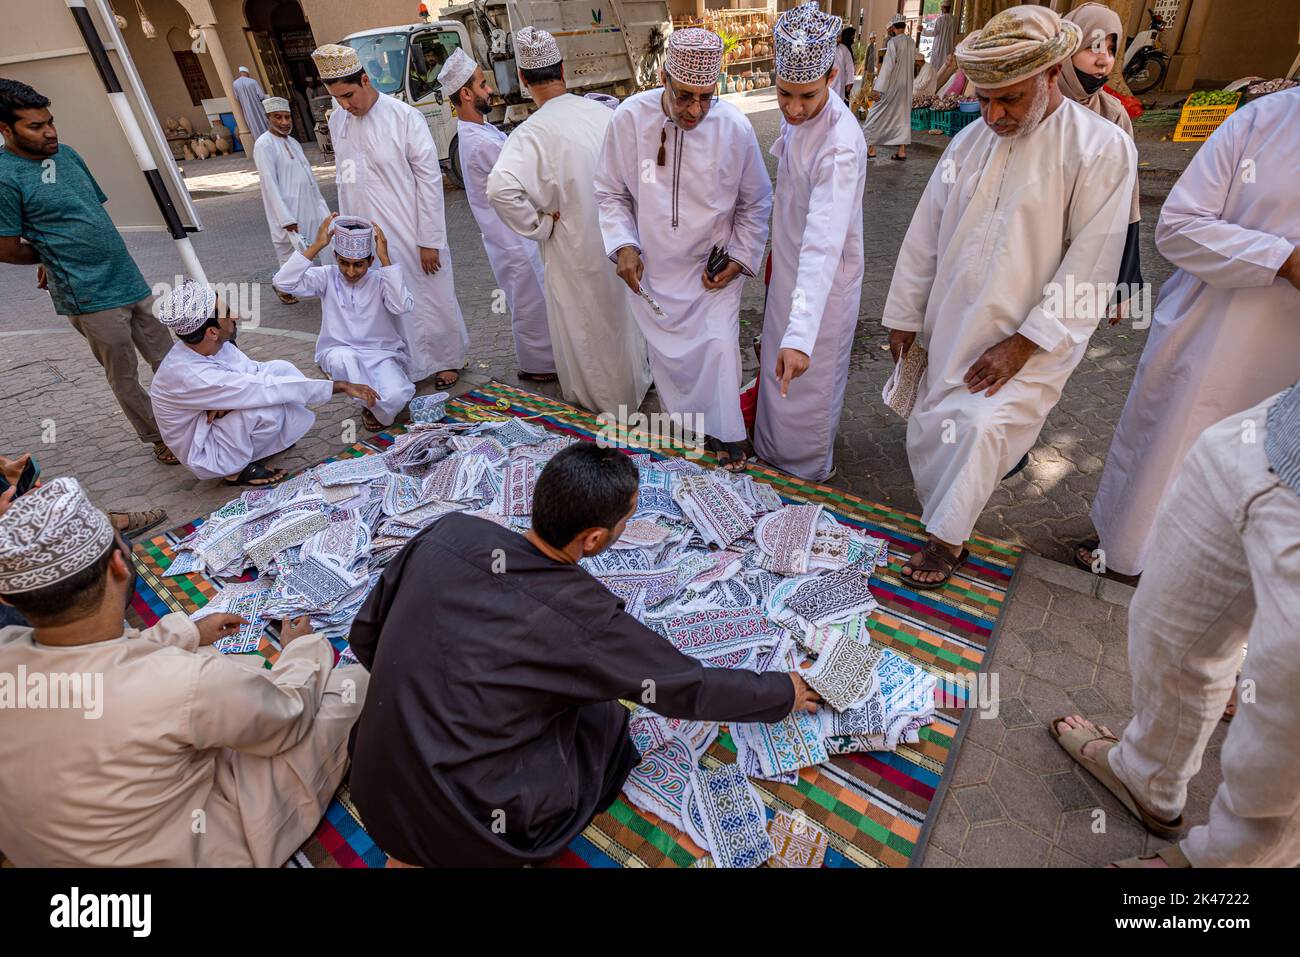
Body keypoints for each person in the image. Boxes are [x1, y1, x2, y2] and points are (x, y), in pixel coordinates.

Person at [346, 443, 819, 867]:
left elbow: (365, 635)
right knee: (605, 723)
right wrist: (783, 692)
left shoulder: (449, 532)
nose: (628, 525)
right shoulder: (583, 618)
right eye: (627, 519)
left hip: (373, 787)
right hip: (466, 824)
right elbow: (685, 686)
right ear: (593, 539)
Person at [881, 6, 1135, 589]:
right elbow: (925, 232)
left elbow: (1093, 260)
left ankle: (947, 540)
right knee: (935, 424)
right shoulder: (968, 142)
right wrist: (903, 313)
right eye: (985, 98)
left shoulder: (1100, 149)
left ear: (1050, 77)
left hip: (1034, 336)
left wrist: (1025, 343)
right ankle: (943, 511)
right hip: (952, 322)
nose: (993, 114)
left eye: (1010, 100)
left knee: (983, 425)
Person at [0, 478, 367, 867]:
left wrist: (189, 631)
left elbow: (106, 661)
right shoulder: (182, 681)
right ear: (119, 565)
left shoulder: (7, 647)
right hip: (188, 852)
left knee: (235, 673)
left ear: (4, 596)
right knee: (350, 685)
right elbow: (287, 719)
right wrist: (302, 651)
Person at [1053, 385, 1300, 868]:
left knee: (1284, 730)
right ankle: (1148, 777)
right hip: (1272, 430)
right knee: (1170, 630)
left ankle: (1222, 863)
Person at [1080, 85, 1300, 579]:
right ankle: (1121, 558)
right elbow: (1177, 227)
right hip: (1215, 335)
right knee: (1167, 455)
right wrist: (1281, 260)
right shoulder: (1262, 122)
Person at [595, 28, 771, 471]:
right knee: (672, 363)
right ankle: (691, 427)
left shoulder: (735, 128)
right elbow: (611, 193)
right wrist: (624, 245)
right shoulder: (629, 119)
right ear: (663, 77)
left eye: (706, 97)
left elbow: (756, 202)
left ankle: (729, 436)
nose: (695, 109)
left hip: (710, 272)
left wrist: (738, 258)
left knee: (718, 348)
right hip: (655, 270)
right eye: (684, 96)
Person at [0, 79, 178, 467]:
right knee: (125, 375)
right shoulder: (4, 176)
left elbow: (91, 213)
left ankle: (191, 421)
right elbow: (6, 248)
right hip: (88, 295)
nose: (49, 131)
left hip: (128, 278)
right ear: (5, 129)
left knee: (169, 359)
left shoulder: (68, 155)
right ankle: (159, 438)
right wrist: (50, 257)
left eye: (50, 121)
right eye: (35, 126)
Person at [486, 27, 652, 417]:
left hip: (572, 247)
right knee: (624, 316)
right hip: (623, 242)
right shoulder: (606, 113)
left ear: (525, 80)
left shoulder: (530, 134)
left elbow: (499, 189)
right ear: (564, 70)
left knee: (586, 326)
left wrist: (539, 225)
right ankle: (638, 386)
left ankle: (605, 405)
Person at [751, 2, 866, 483]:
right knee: (777, 383)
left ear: (832, 74)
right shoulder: (798, 117)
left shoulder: (840, 144)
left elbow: (822, 244)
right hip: (790, 271)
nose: (794, 109)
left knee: (808, 390)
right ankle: (773, 456)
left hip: (822, 287)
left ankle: (807, 473)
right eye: (784, 95)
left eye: (807, 97)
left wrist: (801, 336)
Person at [313, 43, 469, 388]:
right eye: (336, 98)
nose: (344, 104)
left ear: (366, 80)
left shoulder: (403, 117)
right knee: (383, 303)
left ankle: (446, 359)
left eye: (349, 95)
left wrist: (429, 239)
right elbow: (345, 181)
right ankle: (403, 366)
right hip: (367, 238)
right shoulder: (339, 120)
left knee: (429, 295)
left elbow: (429, 181)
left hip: (411, 232)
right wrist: (347, 236)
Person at [148, 279, 378, 486]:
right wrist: (339, 386)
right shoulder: (190, 374)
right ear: (211, 332)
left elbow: (256, 375)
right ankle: (234, 471)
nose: (235, 316)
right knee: (266, 409)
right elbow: (262, 388)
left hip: (213, 425)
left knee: (281, 368)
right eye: (228, 314)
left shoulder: (211, 347)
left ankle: (267, 443)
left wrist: (228, 401)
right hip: (204, 448)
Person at [438, 48, 556, 383]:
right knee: (533, 305)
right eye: (482, 84)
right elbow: (522, 181)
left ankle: (541, 363)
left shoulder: (481, 132)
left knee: (532, 303)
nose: (489, 90)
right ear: (466, 93)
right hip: (514, 240)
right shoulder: (477, 142)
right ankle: (540, 367)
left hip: (512, 238)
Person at [273, 214, 415, 431]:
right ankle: (369, 404)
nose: (350, 272)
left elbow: (402, 306)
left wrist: (386, 259)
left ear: (371, 260)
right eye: (344, 263)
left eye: (358, 264)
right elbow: (283, 282)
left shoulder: (380, 279)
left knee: (397, 395)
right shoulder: (326, 276)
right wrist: (317, 245)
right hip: (339, 350)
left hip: (381, 353)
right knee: (343, 360)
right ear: (336, 258)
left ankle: (375, 403)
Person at [1060, 2, 1142, 326]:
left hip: (1080, 258)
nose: (1103, 59)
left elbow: (1128, 197)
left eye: (1111, 48)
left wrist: (1125, 282)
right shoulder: (1034, 107)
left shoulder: (1113, 115)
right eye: (1093, 46)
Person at [253, 95, 330, 305]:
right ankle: (281, 285)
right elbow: (269, 184)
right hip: (288, 210)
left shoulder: (293, 142)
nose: (285, 122)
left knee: (315, 245)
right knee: (289, 251)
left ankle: (319, 284)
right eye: (278, 117)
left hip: (309, 205)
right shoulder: (263, 144)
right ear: (268, 117)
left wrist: (321, 206)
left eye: (287, 117)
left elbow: (309, 178)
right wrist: (286, 218)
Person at [864, 15, 916, 161]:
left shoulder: (893, 42)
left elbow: (887, 67)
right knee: (902, 115)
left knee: (876, 112)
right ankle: (901, 151)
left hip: (892, 85)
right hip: (906, 85)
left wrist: (878, 88)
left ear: (893, 28)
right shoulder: (912, 42)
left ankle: (871, 148)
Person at [232, 66, 269, 140]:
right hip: (257, 107)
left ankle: (258, 141)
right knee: (263, 121)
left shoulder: (235, 84)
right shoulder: (253, 81)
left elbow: (236, 97)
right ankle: (267, 139)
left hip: (246, 110)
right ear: (247, 72)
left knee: (253, 125)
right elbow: (261, 96)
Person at [929, 1, 957, 72]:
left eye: (941, 8)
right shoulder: (954, 19)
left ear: (944, 8)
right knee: (945, 67)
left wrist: (922, 30)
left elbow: (934, 32)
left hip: (939, 47)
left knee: (936, 66)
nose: (941, 10)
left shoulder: (940, 19)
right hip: (949, 47)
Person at [835, 28, 857, 102]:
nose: (839, 40)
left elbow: (850, 66)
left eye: (840, 37)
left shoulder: (844, 49)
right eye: (837, 37)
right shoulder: (823, 49)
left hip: (840, 84)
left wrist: (850, 81)